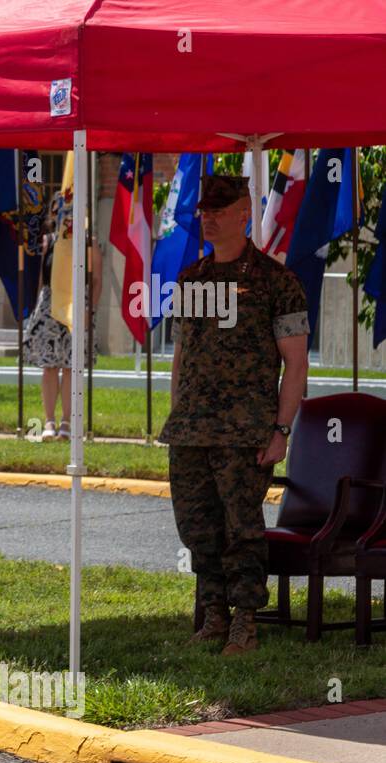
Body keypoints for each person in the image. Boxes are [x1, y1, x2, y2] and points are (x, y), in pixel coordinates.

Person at [160, 173, 309, 655]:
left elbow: (296, 364)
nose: (208, 218)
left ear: (245, 214)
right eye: (205, 211)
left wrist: (281, 431)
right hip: (191, 429)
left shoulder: (276, 282)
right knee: (197, 527)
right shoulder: (191, 279)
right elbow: (181, 355)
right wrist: (176, 410)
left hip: (246, 432)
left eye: (219, 211)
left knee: (241, 528)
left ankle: (246, 621)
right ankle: (213, 617)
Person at [22, 197, 102, 440]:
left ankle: (67, 423)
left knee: (70, 367)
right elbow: (39, 279)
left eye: (68, 210)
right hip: (49, 306)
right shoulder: (48, 242)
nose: (63, 215)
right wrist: (35, 311)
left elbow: (96, 280)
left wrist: (91, 311)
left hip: (78, 306)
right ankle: (48, 422)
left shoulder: (89, 243)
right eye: (58, 211)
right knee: (49, 366)